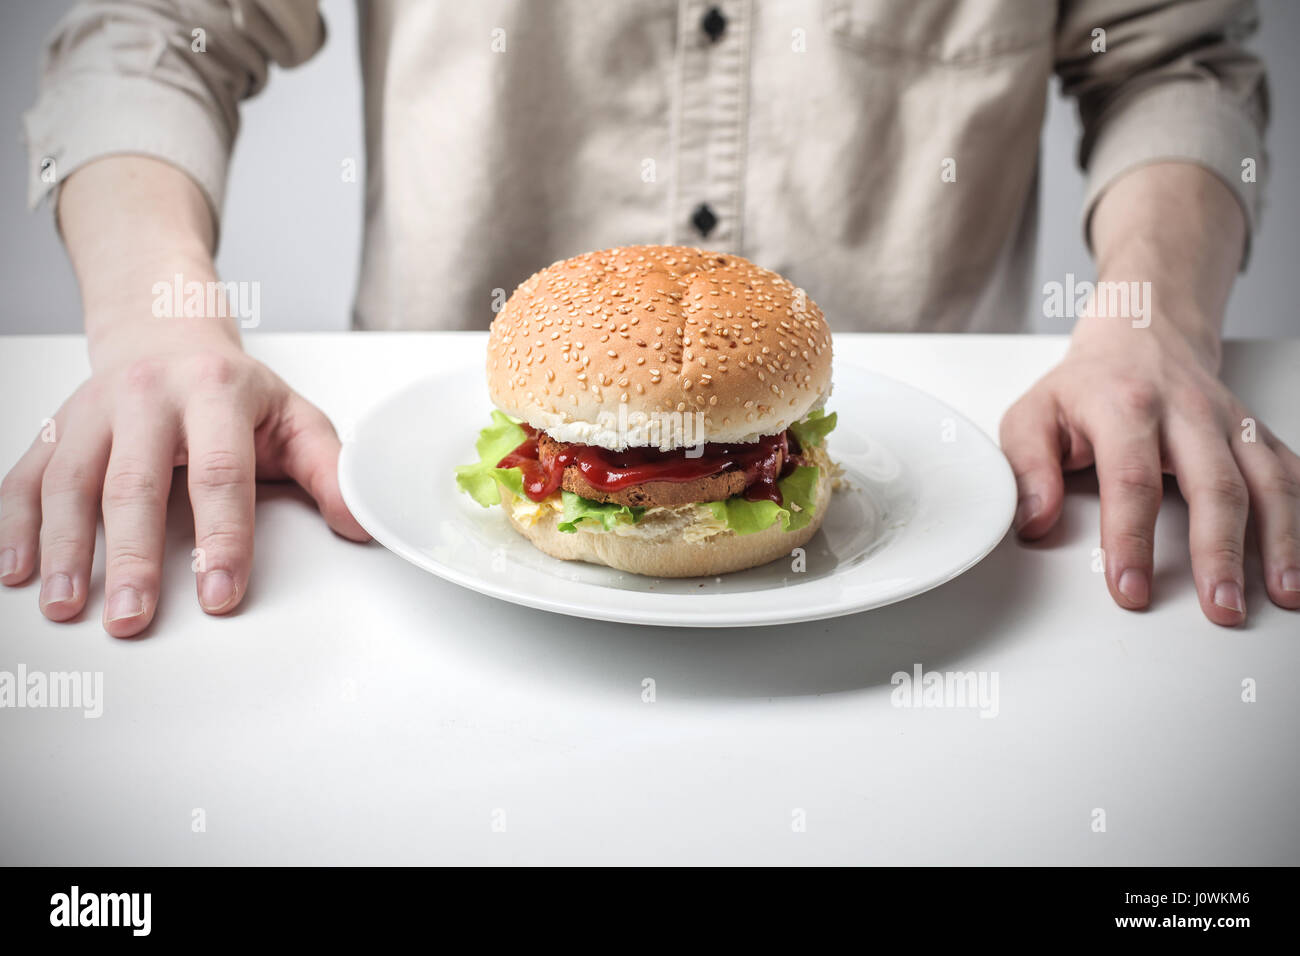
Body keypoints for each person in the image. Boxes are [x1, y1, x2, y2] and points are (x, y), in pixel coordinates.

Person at [2, 0, 1295, 637]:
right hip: (395, 592)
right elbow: (147, 24)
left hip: (971, 572)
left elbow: (1173, 57)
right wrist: (155, 315)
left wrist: (1151, 318)